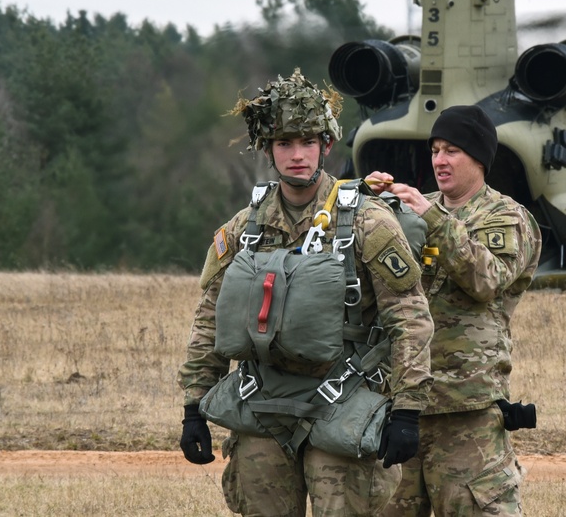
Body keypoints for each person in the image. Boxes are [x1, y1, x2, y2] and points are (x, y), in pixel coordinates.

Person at [177, 69, 434, 516]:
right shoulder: (245, 228)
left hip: (344, 401)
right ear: (266, 149)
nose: (297, 155)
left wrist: (408, 411)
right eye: (284, 144)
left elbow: (410, 318)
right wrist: (193, 407)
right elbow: (209, 320)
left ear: (327, 146)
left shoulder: (368, 222)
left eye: (308, 142)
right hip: (262, 405)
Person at [368, 105, 542, 517]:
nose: (439, 161)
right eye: (435, 150)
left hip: (467, 411)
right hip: (401, 403)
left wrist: (433, 218)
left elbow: (487, 281)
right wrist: (367, 203)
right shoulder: (411, 210)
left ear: (479, 158)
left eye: (452, 151)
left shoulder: (506, 216)